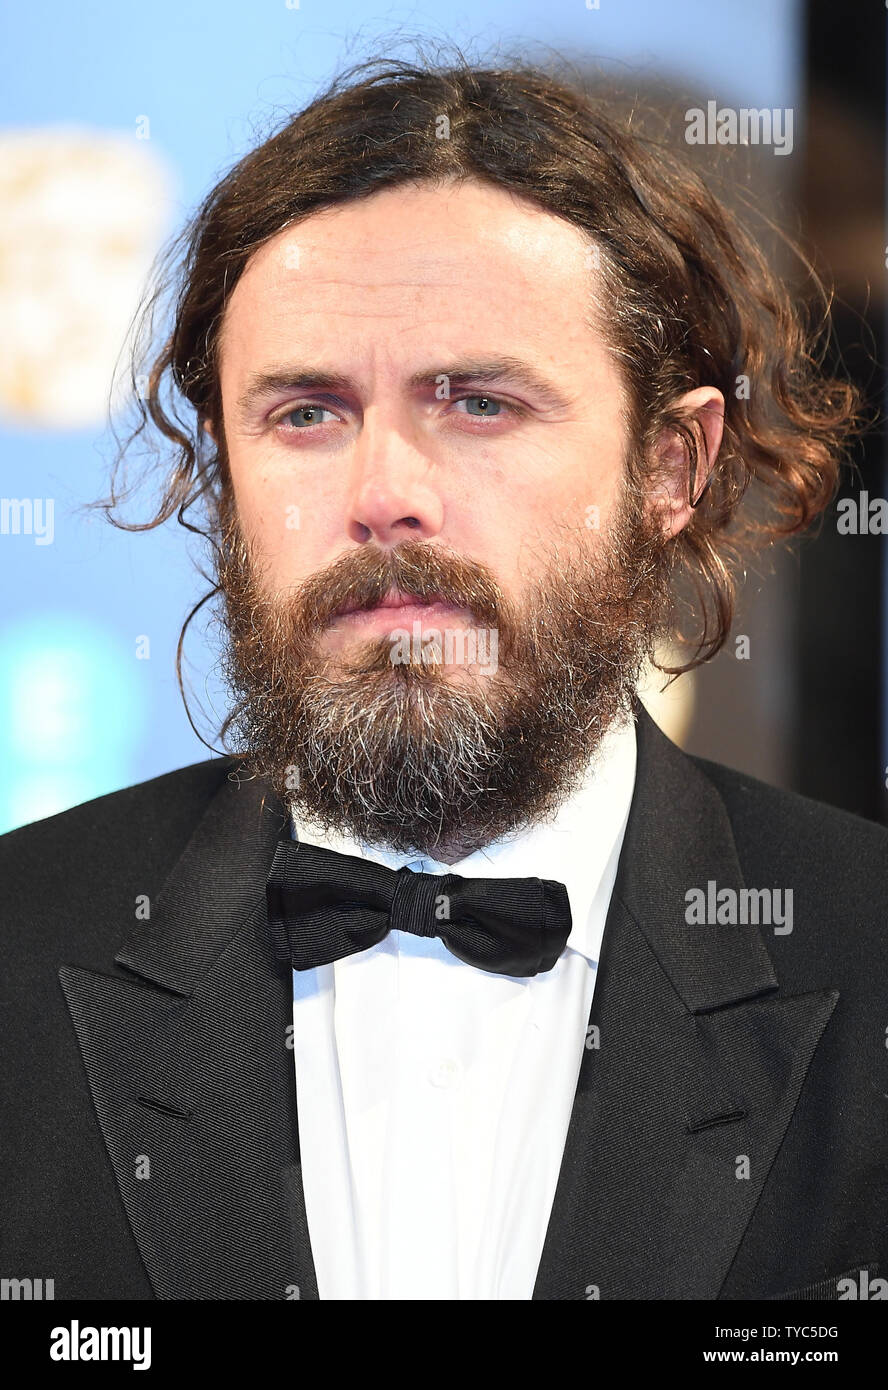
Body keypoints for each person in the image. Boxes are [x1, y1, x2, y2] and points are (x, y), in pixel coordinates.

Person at [2, 56, 885, 1303]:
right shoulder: (19, 948)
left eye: (476, 401)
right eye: (306, 413)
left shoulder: (867, 951)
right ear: (221, 474)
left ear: (673, 466)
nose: (382, 497)